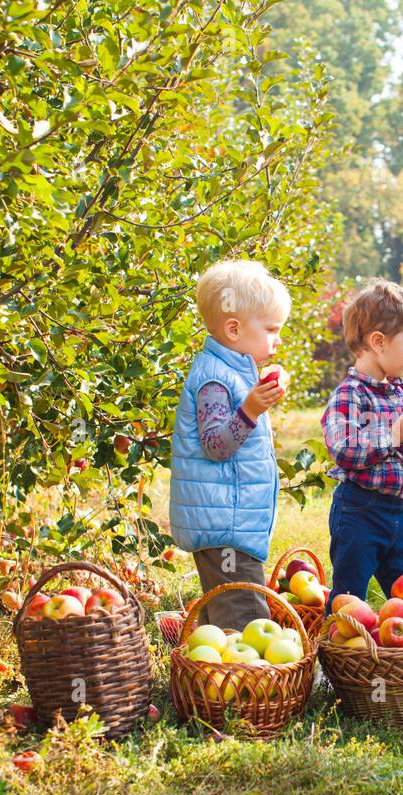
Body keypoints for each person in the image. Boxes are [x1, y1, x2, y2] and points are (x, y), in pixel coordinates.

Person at [169, 260, 289, 630]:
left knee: (223, 612)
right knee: (246, 616)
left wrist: (256, 398)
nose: (278, 339)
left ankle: (208, 676)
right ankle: (249, 683)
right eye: (271, 329)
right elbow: (216, 445)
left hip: (228, 521)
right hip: (226, 526)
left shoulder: (232, 372)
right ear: (234, 329)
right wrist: (252, 408)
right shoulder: (215, 380)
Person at [321, 280, 403, 603]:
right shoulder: (350, 394)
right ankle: (338, 650)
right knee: (349, 593)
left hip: (400, 511)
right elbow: (344, 449)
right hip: (360, 510)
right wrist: (392, 435)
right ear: (378, 342)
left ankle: (402, 653)